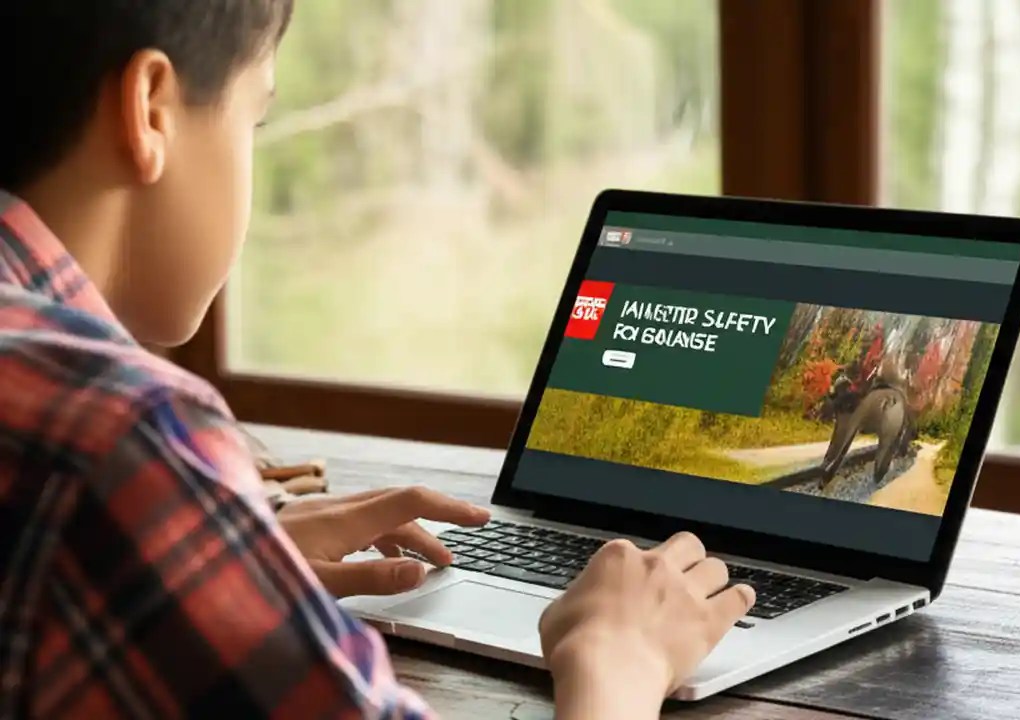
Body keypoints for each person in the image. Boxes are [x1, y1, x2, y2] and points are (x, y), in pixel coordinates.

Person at [0, 2, 755, 718]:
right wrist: (616, 662)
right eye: (255, 117)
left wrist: (204, 555)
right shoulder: (119, 438)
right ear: (152, 108)